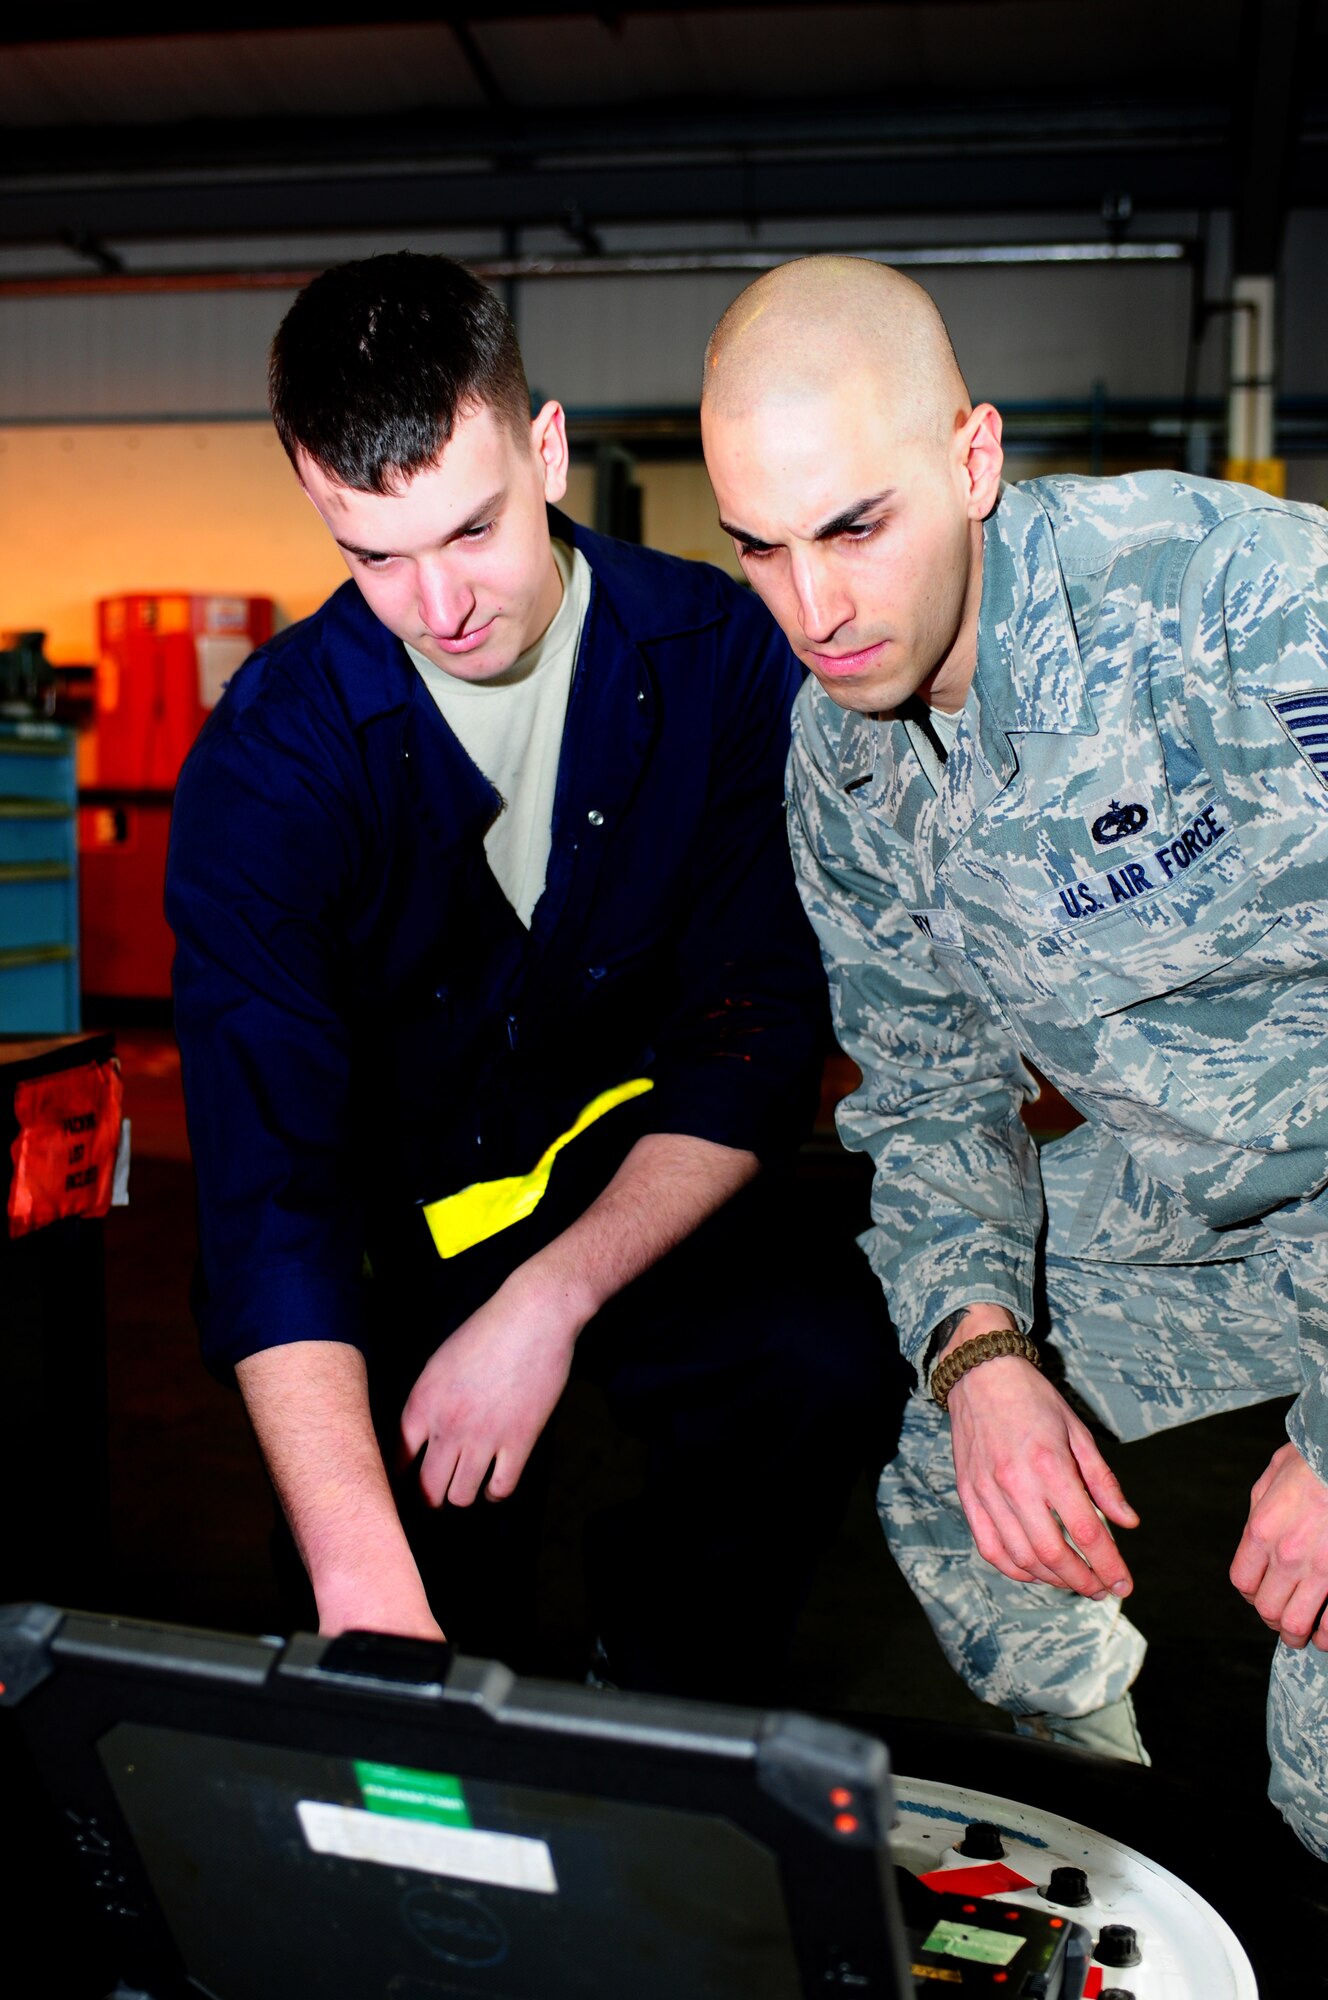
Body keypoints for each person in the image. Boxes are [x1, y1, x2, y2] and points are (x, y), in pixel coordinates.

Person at [166, 252, 900, 1699]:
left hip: (636, 1188)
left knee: (819, 1360)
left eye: (473, 530)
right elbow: (271, 1195)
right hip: (404, 1241)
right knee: (389, 1637)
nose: (437, 603)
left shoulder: (720, 665)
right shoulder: (269, 772)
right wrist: (358, 1574)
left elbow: (753, 1036)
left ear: (547, 448)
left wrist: (551, 1299)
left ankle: (670, 1655)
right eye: (373, 555)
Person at [700, 252, 1328, 1857]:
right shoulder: (839, 764)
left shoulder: (1242, 605)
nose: (814, 611)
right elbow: (922, 1094)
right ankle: (1127, 1856)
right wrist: (983, 1356)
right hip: (1202, 1202)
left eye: (855, 527)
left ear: (974, 459)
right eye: (758, 550)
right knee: (960, 1467)